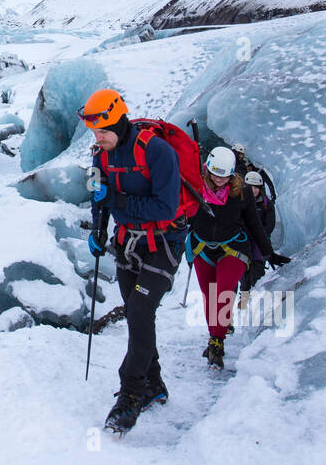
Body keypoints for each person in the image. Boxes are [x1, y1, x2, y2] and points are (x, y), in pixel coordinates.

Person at [82, 88, 187, 433]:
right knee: (137, 315)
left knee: (141, 310)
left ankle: (131, 395)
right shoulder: (101, 156)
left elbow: (166, 207)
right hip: (128, 243)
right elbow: (99, 196)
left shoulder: (157, 151)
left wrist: (118, 202)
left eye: (102, 132)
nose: (98, 139)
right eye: (94, 133)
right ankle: (154, 383)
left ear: (119, 121)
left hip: (164, 242)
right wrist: (99, 229)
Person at [185, 147, 287, 370]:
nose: (219, 180)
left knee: (223, 293)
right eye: (215, 174)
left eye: (224, 176)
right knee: (209, 296)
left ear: (232, 173)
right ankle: (215, 336)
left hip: (233, 248)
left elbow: (254, 223)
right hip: (203, 248)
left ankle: (217, 341)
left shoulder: (242, 192)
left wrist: (268, 252)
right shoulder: (196, 186)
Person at [237, 170, 279, 308]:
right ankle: (244, 297)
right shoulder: (240, 201)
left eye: (256, 187)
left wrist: (261, 235)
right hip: (243, 240)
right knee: (243, 269)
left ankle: (256, 297)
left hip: (258, 242)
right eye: (250, 187)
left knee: (257, 268)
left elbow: (270, 223)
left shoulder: (265, 203)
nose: (253, 190)